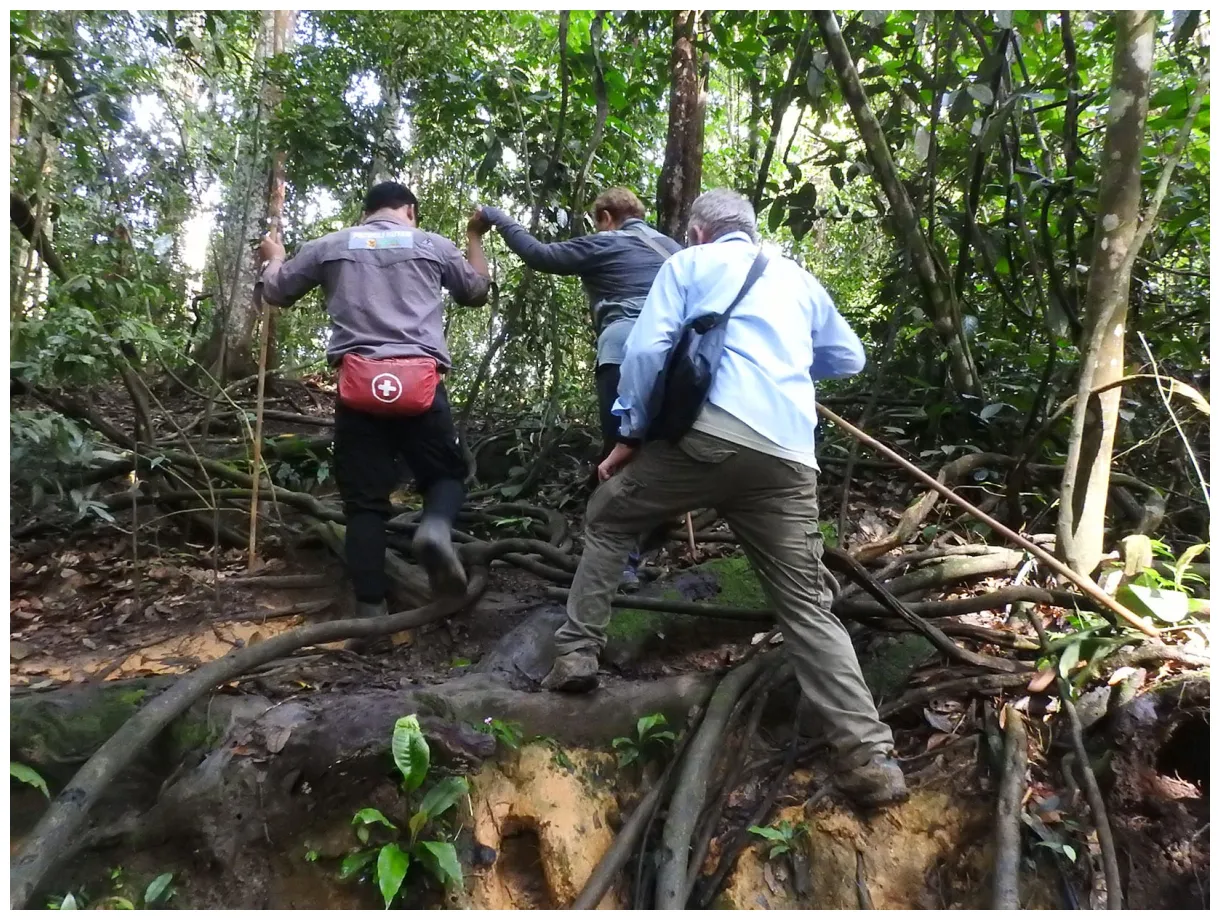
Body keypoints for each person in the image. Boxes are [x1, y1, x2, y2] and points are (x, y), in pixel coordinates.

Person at [541, 188, 907, 807]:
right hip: (788, 457)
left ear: (697, 232)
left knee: (608, 516)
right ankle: (871, 763)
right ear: (750, 228)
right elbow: (849, 356)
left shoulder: (687, 265)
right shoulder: (797, 279)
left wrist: (629, 430)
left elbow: (647, 350)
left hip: (707, 438)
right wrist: (783, 361)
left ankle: (577, 655)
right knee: (808, 607)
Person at [257, 181, 491, 636]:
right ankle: (435, 530)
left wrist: (274, 256)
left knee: (364, 504)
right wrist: (475, 238)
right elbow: (476, 291)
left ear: (367, 212)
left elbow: (277, 292)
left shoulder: (332, 245)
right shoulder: (430, 244)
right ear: (409, 210)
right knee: (446, 474)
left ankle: (370, 614)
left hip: (358, 388)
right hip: (420, 385)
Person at [470, 188, 681, 589]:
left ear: (605, 217)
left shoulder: (607, 242)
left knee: (621, 452)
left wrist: (497, 218)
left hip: (626, 353)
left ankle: (617, 565)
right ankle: (637, 547)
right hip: (681, 362)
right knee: (660, 450)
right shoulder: (673, 248)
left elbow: (540, 255)